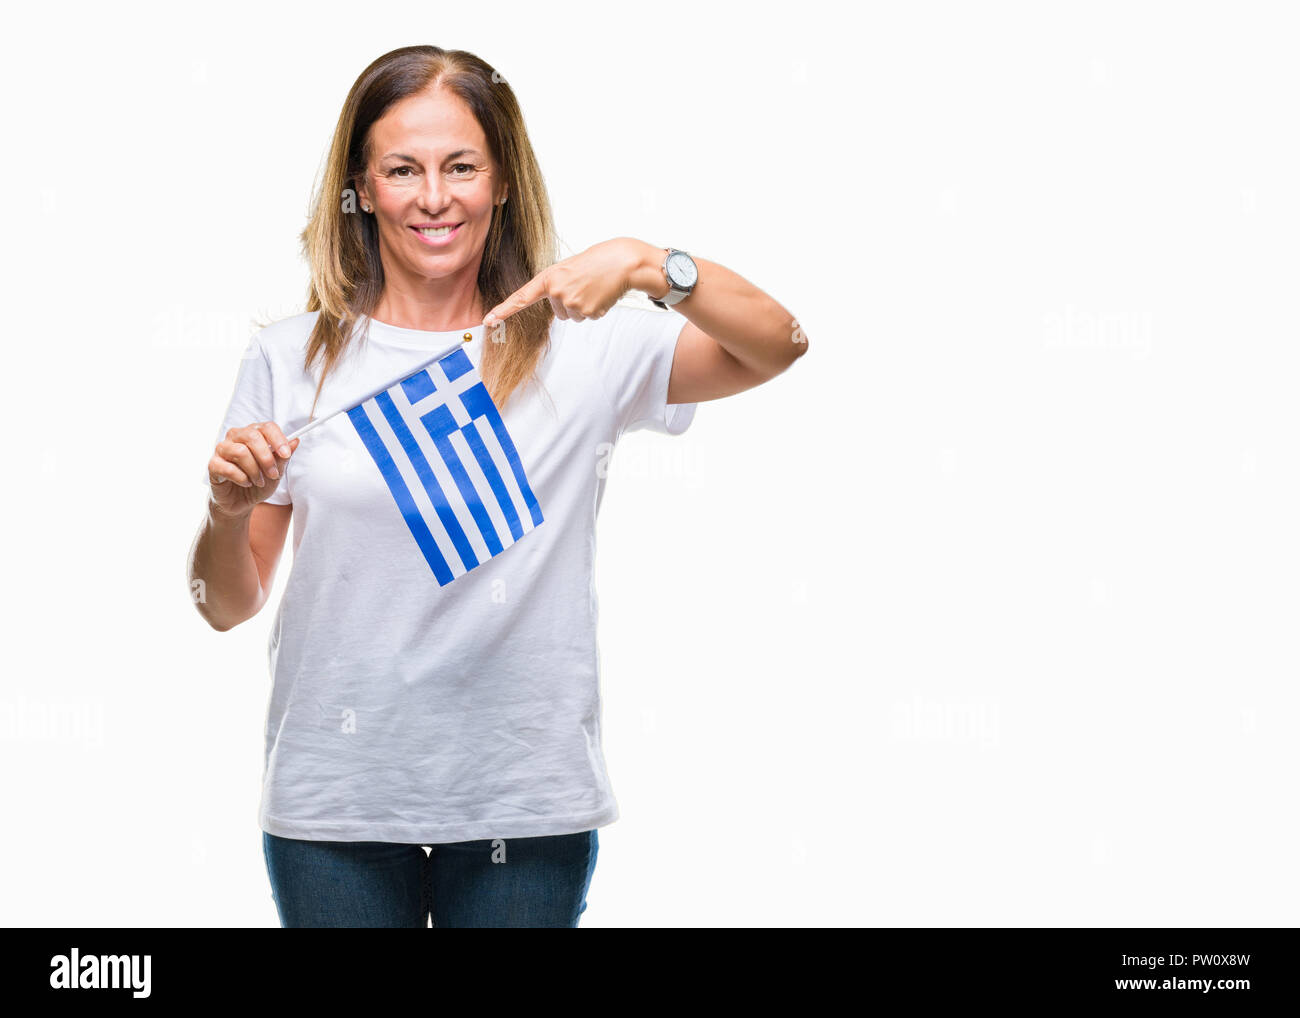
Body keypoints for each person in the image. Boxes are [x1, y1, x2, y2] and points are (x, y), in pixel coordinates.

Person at [186, 44, 809, 928]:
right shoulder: (290, 359)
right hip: (336, 804)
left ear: (503, 180)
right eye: (402, 169)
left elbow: (779, 343)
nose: (434, 197)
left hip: (526, 802)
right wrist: (225, 512)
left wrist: (645, 262)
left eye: (461, 166)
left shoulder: (587, 346)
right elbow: (223, 605)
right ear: (360, 189)